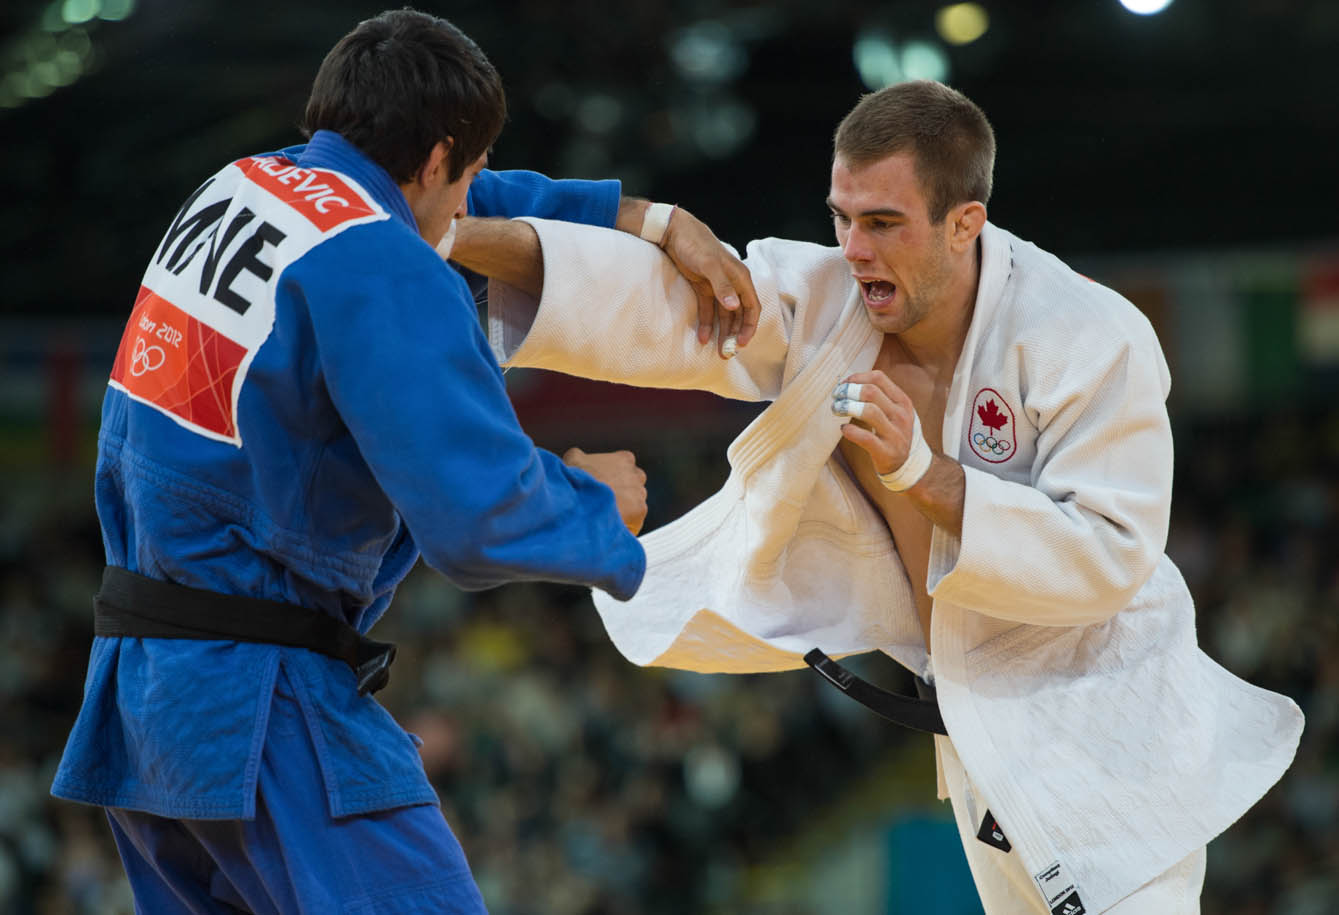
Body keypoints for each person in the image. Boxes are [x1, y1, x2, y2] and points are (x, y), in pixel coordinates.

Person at [449, 80, 1304, 913]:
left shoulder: (1086, 335)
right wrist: (442, 238)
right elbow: (651, 305)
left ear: (964, 222)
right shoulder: (826, 303)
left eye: (883, 223)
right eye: (841, 217)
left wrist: (923, 474)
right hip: (973, 722)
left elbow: (1110, 555)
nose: (853, 248)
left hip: (1101, 713)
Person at [50, 9, 759, 912]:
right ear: (434, 158)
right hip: (259, 705)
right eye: (461, 173)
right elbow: (473, 516)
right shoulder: (379, 263)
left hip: (144, 706)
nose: (467, 201)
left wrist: (650, 219)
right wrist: (596, 504)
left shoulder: (243, 187)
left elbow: (459, 208)